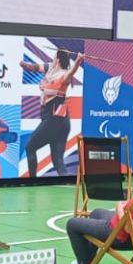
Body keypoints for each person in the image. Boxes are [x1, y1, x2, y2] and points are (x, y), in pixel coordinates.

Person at [25, 50, 84, 178]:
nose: (52, 58)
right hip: (62, 122)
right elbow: (35, 67)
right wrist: (25, 65)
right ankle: (70, 183)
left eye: (54, 56)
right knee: (57, 161)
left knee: (30, 147)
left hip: (54, 121)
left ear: (57, 59)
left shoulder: (63, 75)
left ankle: (32, 181)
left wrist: (78, 61)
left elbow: (71, 72)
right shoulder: (50, 70)